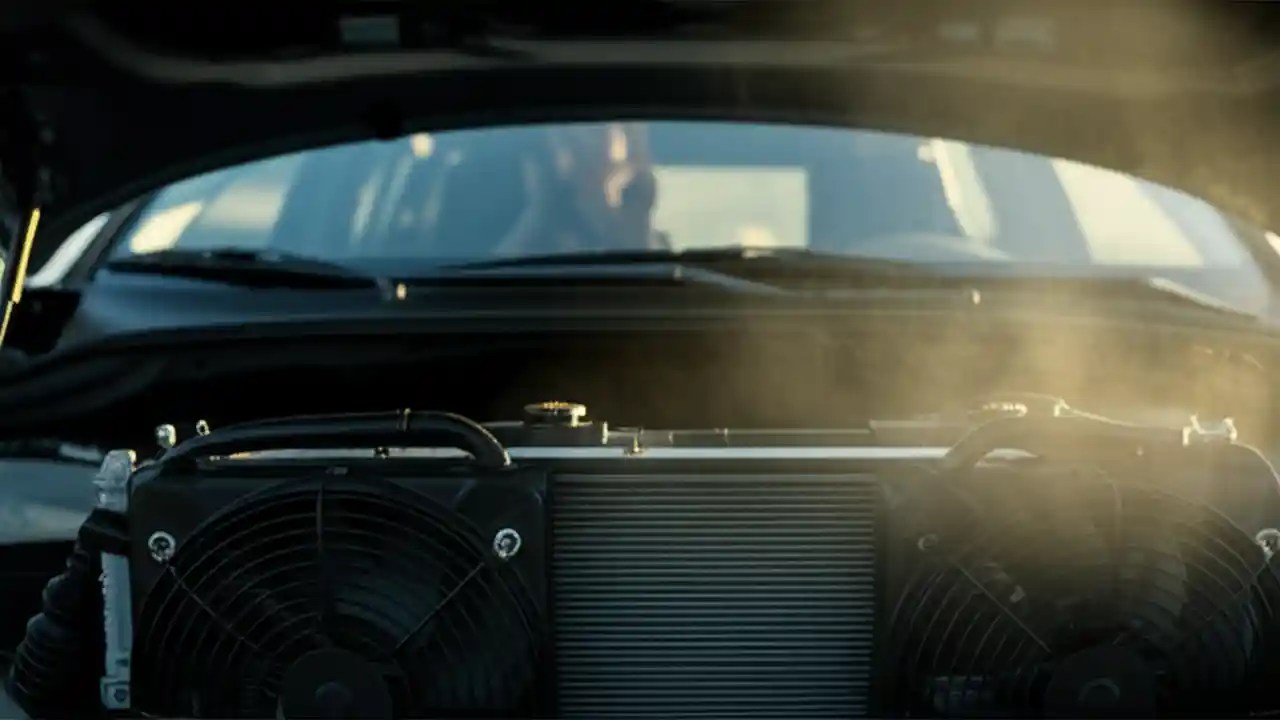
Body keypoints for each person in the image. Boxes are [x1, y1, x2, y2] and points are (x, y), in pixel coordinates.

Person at [492, 122, 667, 256]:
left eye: (599, 131)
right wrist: (539, 210)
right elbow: (497, 278)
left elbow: (655, 282)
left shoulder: (643, 227)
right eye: (566, 138)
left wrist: (638, 217)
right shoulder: (540, 225)